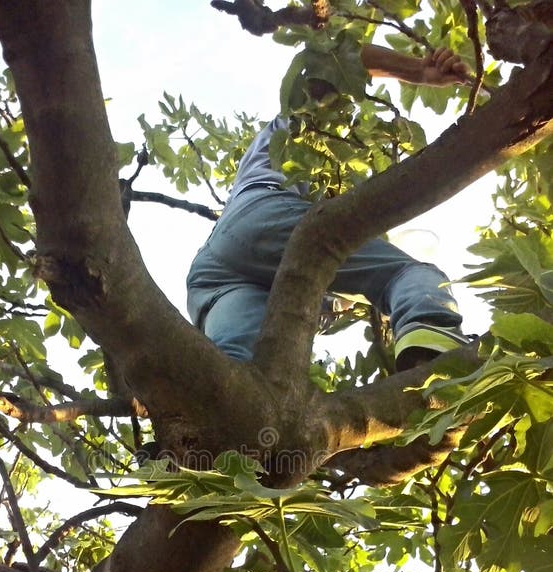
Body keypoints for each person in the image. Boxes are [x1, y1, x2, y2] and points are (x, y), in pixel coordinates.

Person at [186, 45, 473, 371]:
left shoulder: (277, 160)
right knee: (406, 273)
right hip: (267, 211)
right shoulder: (299, 125)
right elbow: (339, 60)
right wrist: (419, 71)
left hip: (215, 267)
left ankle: (227, 413)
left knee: (243, 372)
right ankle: (433, 341)